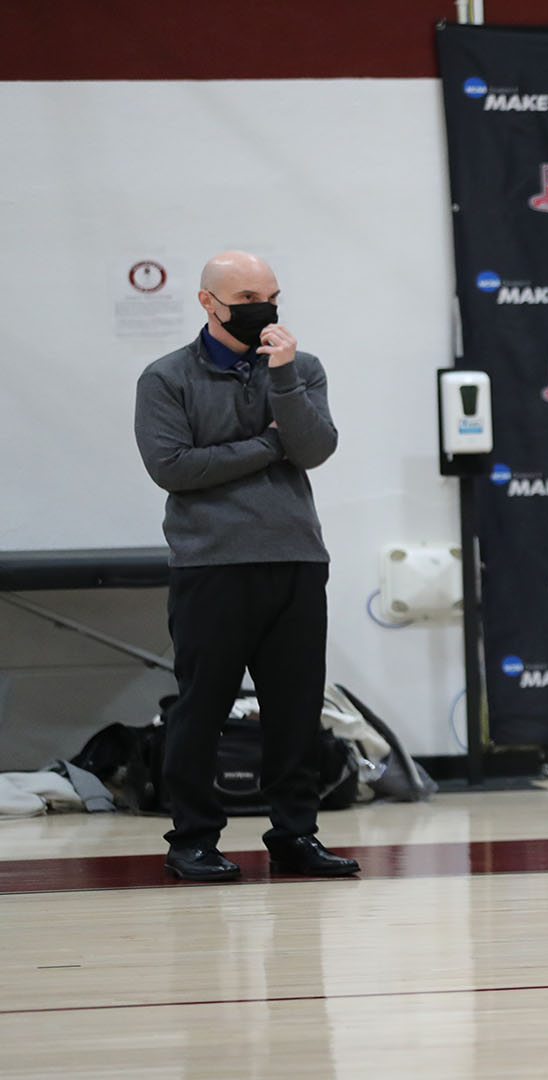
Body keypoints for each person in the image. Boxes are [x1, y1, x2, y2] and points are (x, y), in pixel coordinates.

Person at [132, 250, 359, 883]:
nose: (267, 308)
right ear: (209, 303)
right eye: (249, 296)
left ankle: (295, 836)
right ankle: (193, 840)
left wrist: (282, 377)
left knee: (294, 709)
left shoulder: (301, 368)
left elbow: (313, 449)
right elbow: (174, 467)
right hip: (212, 564)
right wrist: (266, 445)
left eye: (274, 294)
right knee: (201, 708)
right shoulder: (167, 378)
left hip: (296, 558)